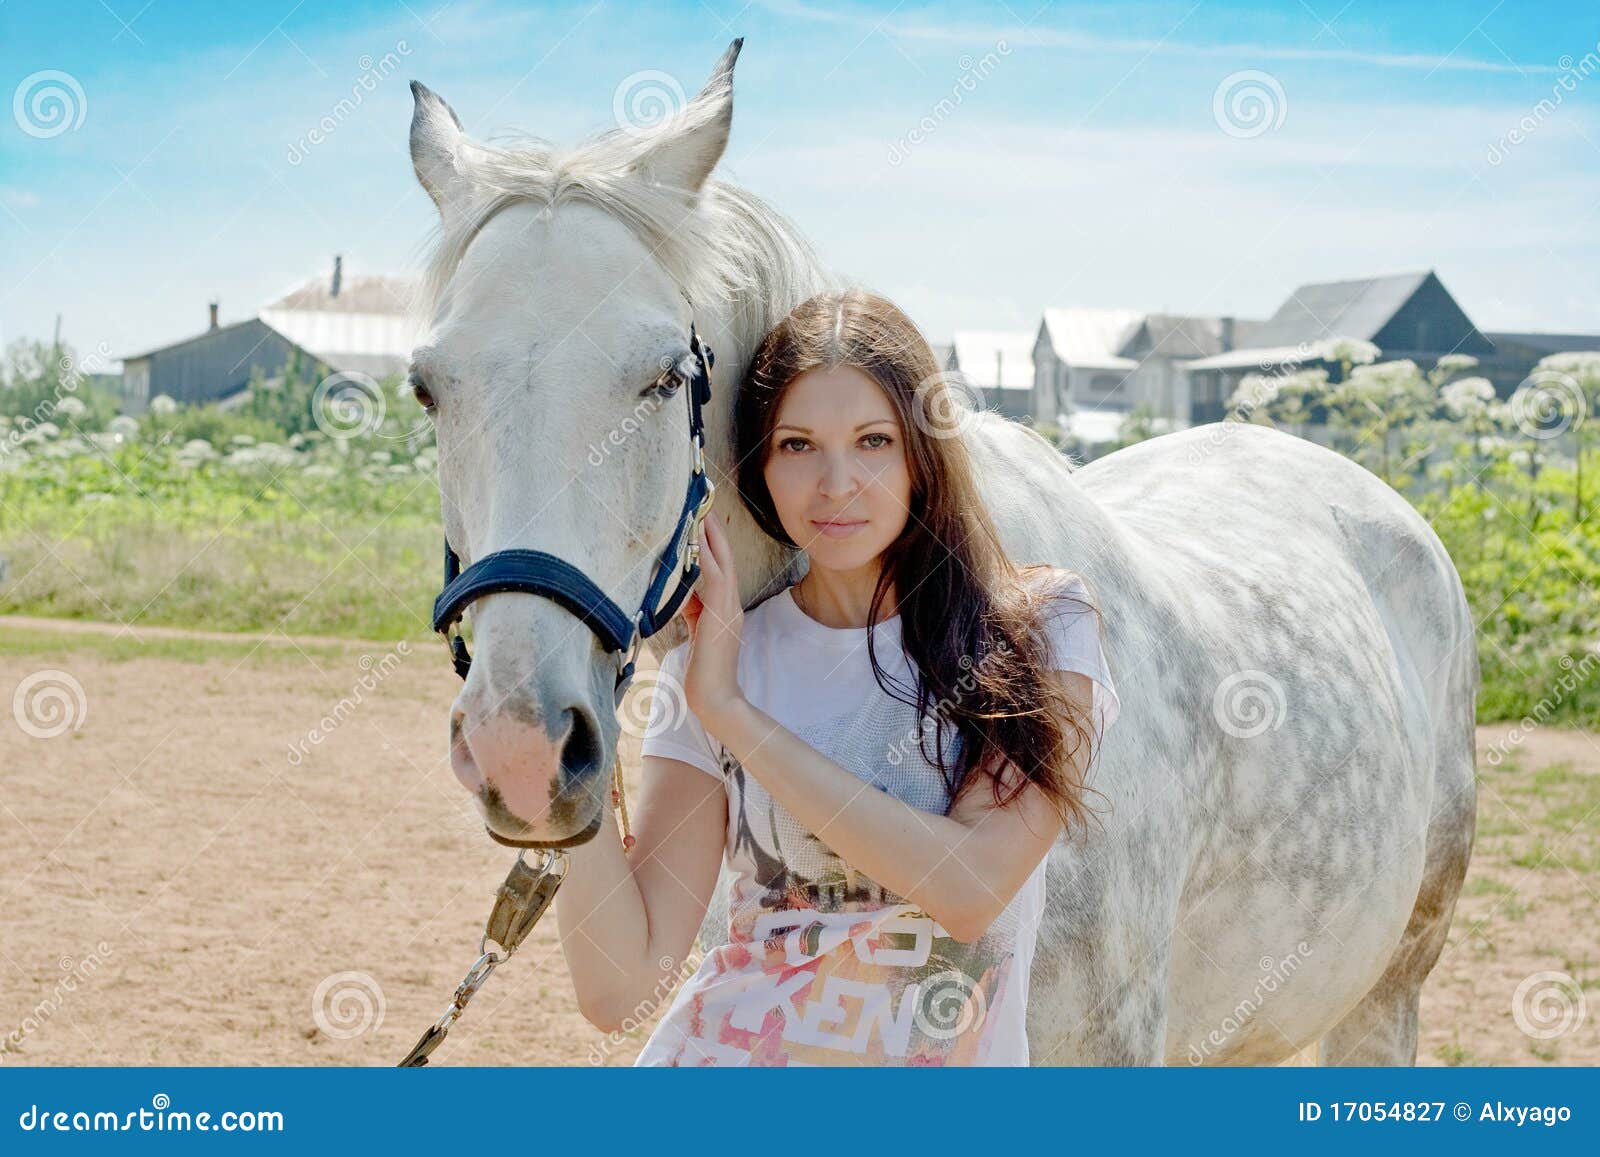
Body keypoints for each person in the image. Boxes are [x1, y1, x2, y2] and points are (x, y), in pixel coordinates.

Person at [559, 288, 1120, 1065]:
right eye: (797, 445)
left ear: (923, 455)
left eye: (872, 441)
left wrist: (732, 713)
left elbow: (969, 889)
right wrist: (558, 789)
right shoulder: (718, 662)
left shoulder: (1041, 627)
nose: (836, 482)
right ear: (760, 464)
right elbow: (619, 988)